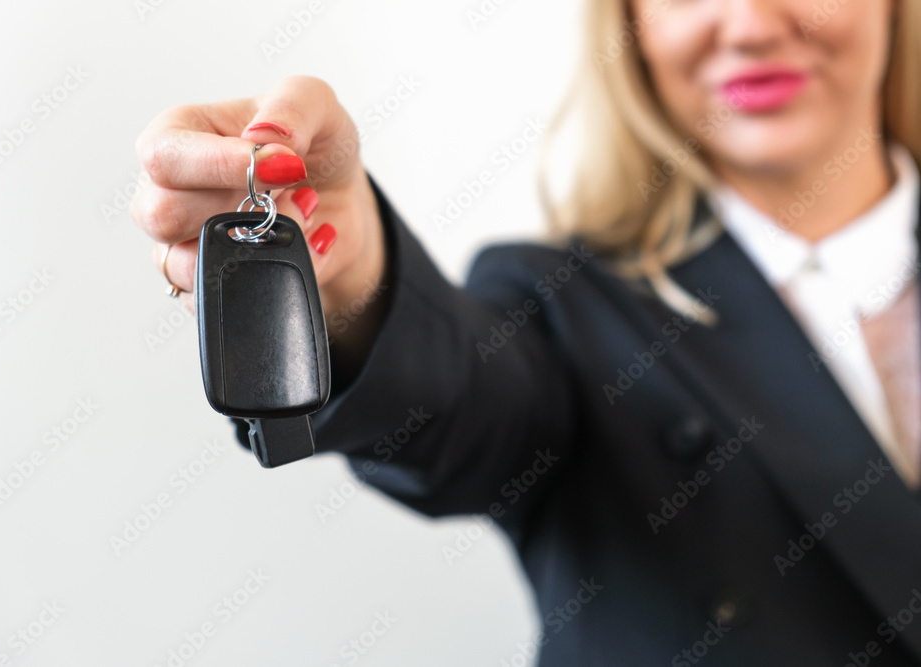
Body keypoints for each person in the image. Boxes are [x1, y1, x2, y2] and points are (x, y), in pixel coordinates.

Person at [131, 0, 921, 664]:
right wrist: (351, 277)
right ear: (633, 28)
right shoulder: (563, 304)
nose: (749, 22)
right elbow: (460, 405)